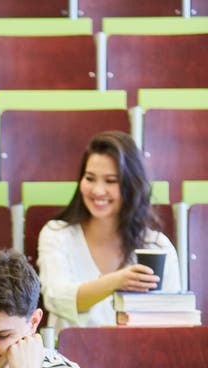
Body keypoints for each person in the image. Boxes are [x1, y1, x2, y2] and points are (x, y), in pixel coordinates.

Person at [37, 130, 181, 335]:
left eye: (111, 181)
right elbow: (57, 299)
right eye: (90, 178)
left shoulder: (157, 246)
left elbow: (172, 320)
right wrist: (116, 281)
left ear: (132, 186)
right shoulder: (57, 234)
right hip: (72, 360)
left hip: (139, 359)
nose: (97, 190)